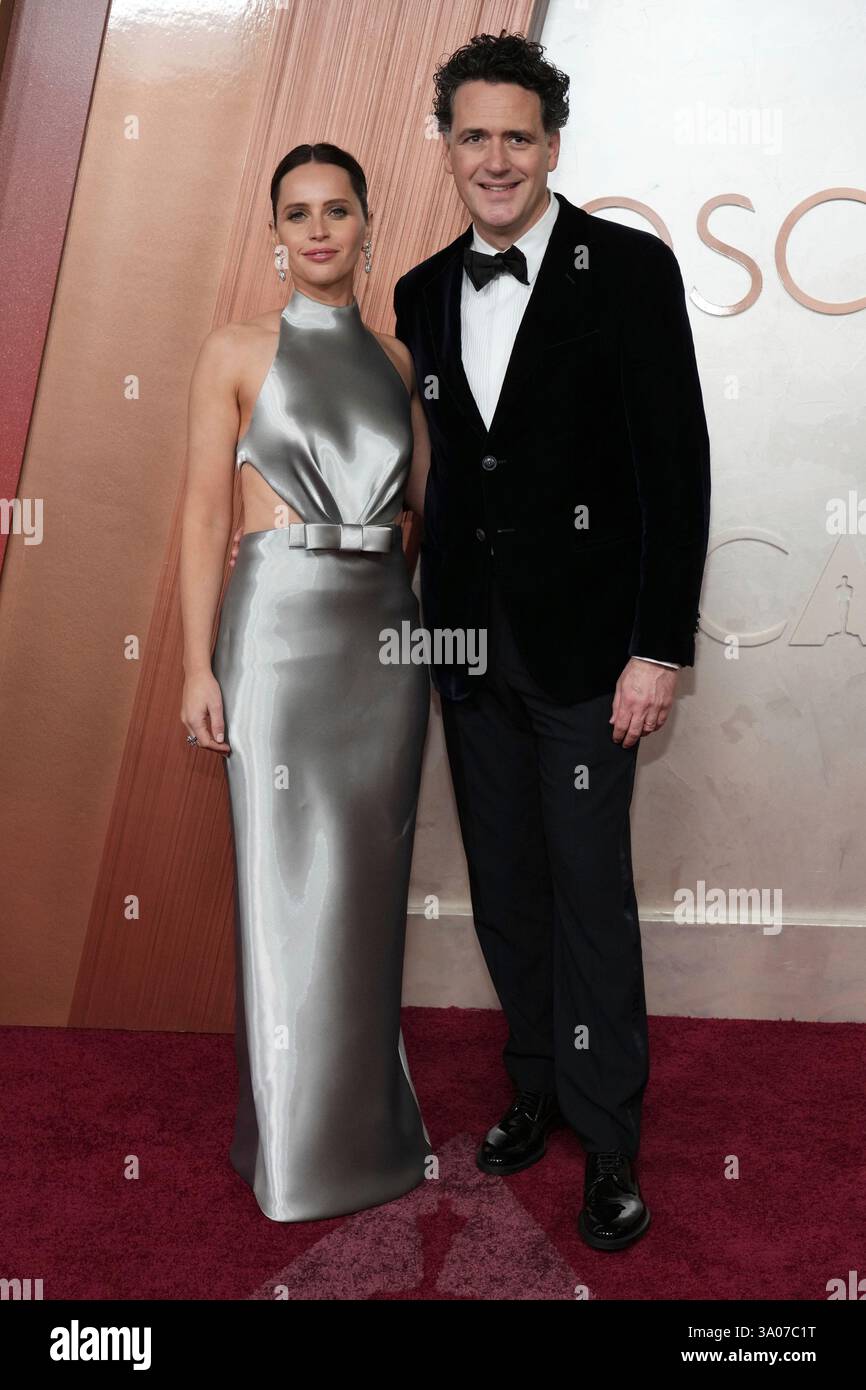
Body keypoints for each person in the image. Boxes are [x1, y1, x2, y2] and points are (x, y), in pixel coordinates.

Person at [392, 33, 711, 1250]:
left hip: (590, 658)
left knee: (588, 897)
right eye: (472, 134)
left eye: (516, 135)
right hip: (467, 652)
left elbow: (673, 470)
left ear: (552, 144)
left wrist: (657, 648)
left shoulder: (625, 268)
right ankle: (533, 1083)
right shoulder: (422, 289)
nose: (495, 157)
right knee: (507, 893)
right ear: (447, 148)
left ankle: (608, 1136)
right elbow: (442, 481)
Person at [179, 143, 434, 1222]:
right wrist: (195, 661)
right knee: (284, 896)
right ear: (273, 232)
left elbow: (423, 515)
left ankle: (364, 1132)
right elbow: (200, 514)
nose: (318, 229)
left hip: (384, 644)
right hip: (274, 640)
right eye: (298, 212)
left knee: (363, 901)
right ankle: (289, 1153)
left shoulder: (397, 356)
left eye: (337, 210)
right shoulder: (235, 349)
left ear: (365, 222)